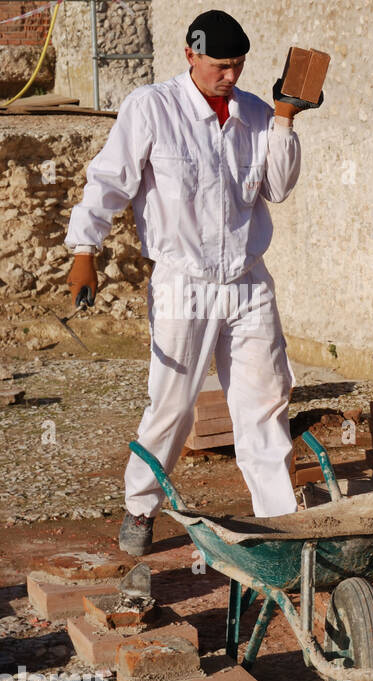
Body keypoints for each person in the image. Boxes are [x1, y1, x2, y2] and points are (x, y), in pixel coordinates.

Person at [64, 9, 319, 556]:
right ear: (190, 55)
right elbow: (110, 179)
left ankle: (279, 524)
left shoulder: (254, 113)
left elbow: (277, 186)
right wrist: (85, 248)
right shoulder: (151, 108)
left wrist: (284, 119)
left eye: (238, 66)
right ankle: (140, 507)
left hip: (249, 282)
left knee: (266, 401)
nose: (230, 75)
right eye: (220, 65)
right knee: (172, 405)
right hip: (184, 282)